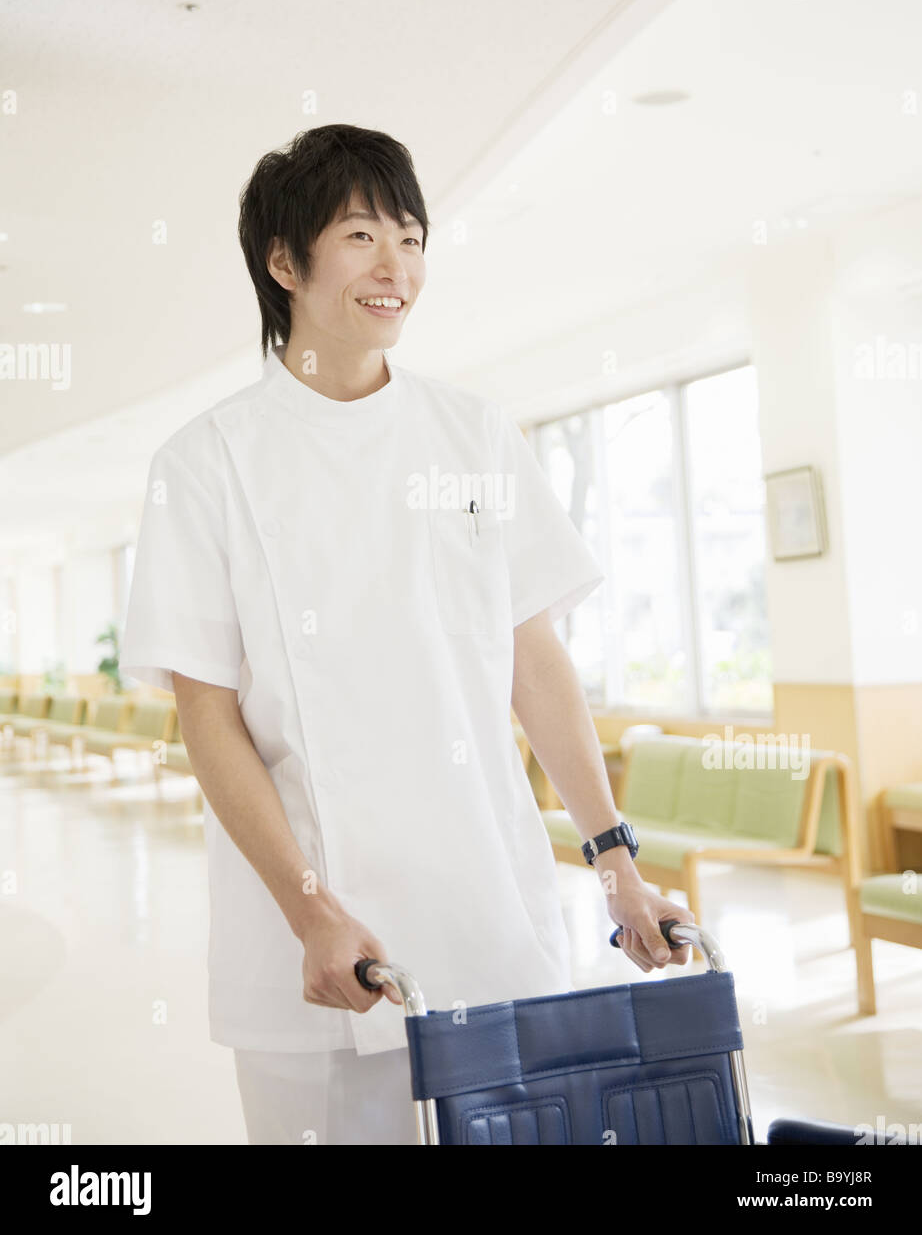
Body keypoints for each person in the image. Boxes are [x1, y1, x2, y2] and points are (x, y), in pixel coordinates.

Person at [120, 123, 696, 1146]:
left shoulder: (472, 434)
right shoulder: (205, 465)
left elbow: (533, 661)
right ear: (284, 261)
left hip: (489, 918)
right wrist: (309, 909)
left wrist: (615, 861)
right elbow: (205, 714)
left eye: (413, 238)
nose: (397, 268)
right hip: (317, 952)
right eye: (361, 236)